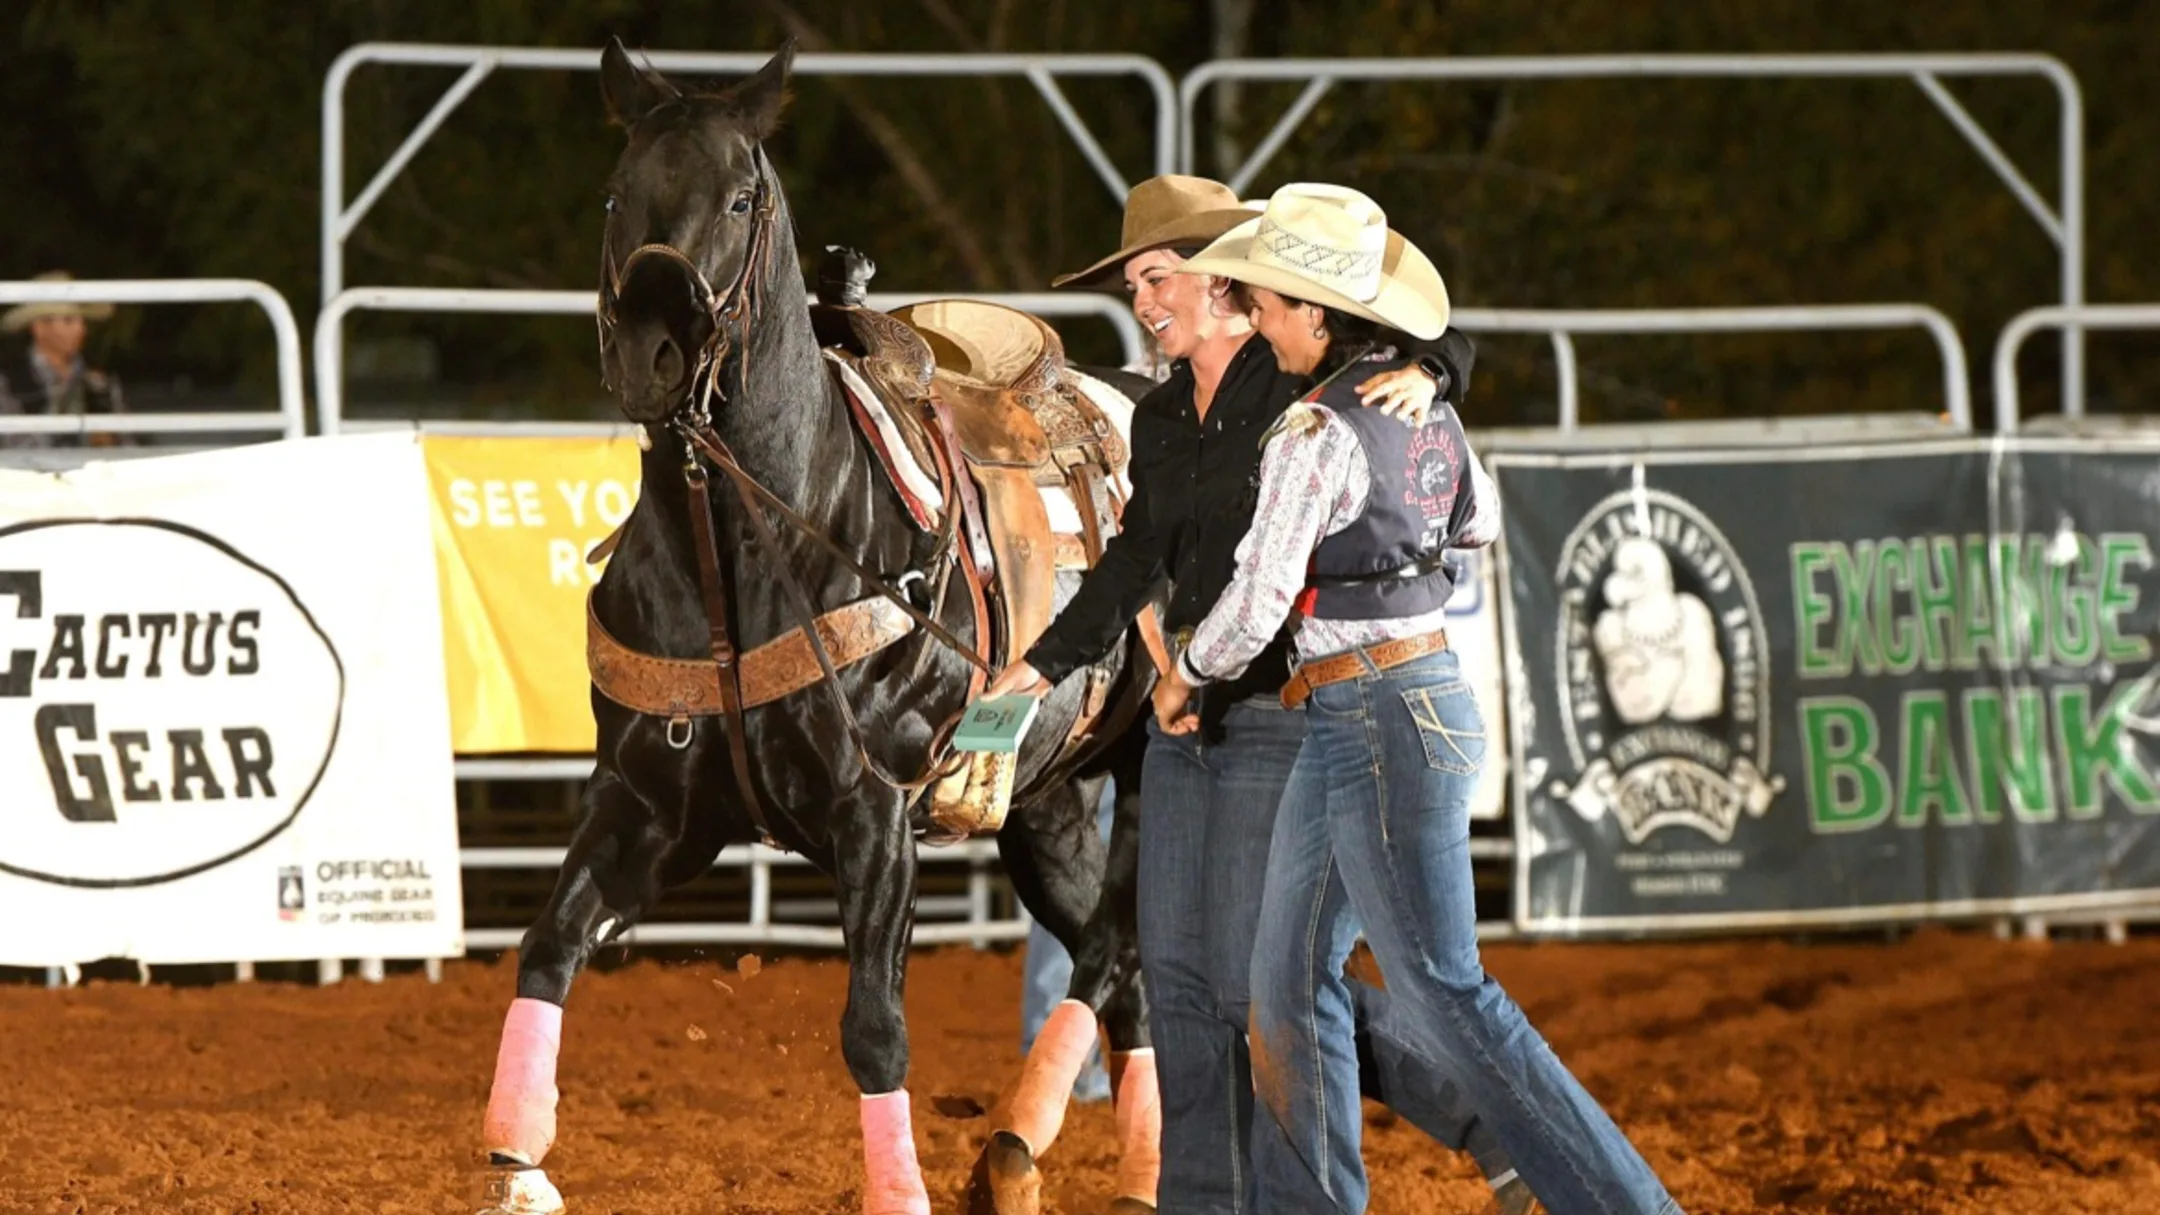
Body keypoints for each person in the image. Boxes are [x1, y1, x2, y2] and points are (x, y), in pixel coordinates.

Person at [984, 175, 1531, 1214]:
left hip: (1282, 713)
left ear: (1222, 280)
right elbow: (1135, 557)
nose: (1144, 303)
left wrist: (1438, 365)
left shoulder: (1299, 391)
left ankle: (1473, 1121)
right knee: (1183, 989)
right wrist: (1039, 667)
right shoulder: (1157, 417)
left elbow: (1414, 352)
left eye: (1158, 278)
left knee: (1255, 984)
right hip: (1183, 723)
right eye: (1136, 283)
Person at [1156, 182, 1680, 1213]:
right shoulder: (1414, 405)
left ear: (1318, 311)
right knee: (1287, 977)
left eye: (1270, 302)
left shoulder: (1313, 433)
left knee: (1446, 993)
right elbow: (1475, 520)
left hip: (1377, 719)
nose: (1259, 318)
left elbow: (1259, 599)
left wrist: (1188, 671)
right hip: (1397, 706)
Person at [0, 271, 127, 450]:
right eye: (68, 321)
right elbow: (12, 448)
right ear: (40, 328)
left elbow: (127, 445)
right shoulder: (8, 384)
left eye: (81, 321)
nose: (80, 329)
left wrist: (109, 443)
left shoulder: (99, 385)